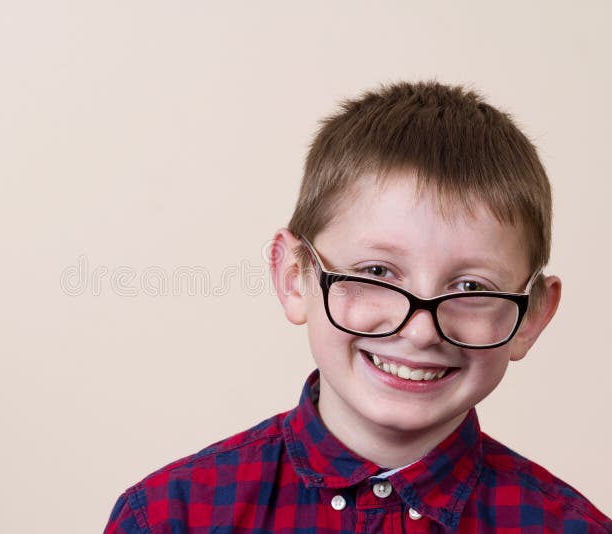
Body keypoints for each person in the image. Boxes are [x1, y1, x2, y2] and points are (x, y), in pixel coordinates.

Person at [103, 81, 612, 532]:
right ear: (293, 277)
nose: (418, 331)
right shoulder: (170, 517)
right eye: (376, 273)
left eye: (471, 287)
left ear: (531, 317)